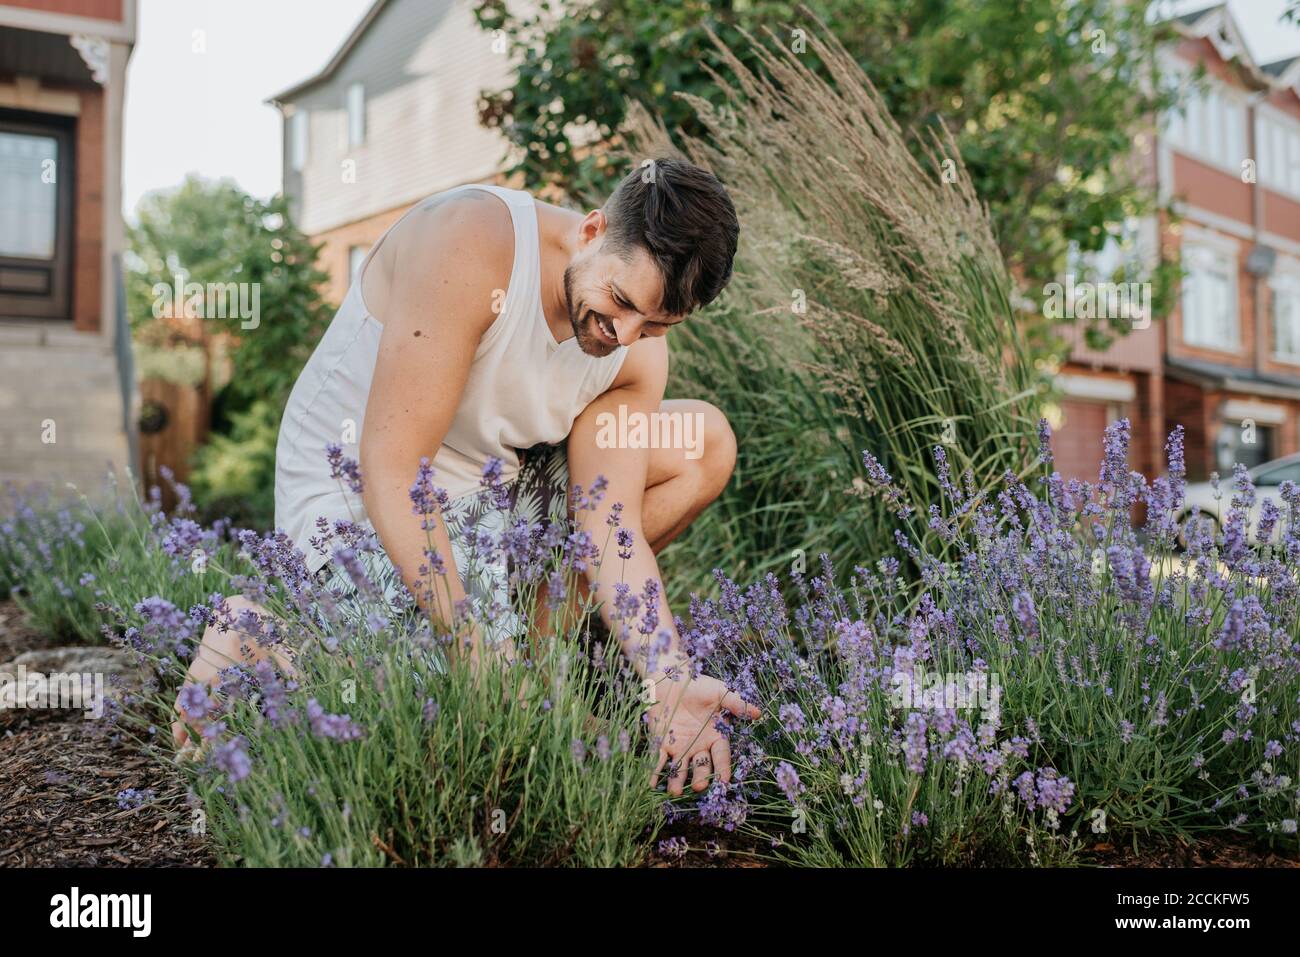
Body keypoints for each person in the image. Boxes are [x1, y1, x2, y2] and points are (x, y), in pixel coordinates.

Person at [172, 157, 758, 797]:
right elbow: (391, 469)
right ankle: (265, 636)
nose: (623, 334)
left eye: (655, 324)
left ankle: (520, 669)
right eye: (620, 302)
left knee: (701, 442)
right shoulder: (474, 241)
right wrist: (473, 646)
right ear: (592, 230)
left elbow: (607, 523)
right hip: (359, 492)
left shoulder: (633, 348)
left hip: (489, 502)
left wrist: (667, 675)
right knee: (430, 712)